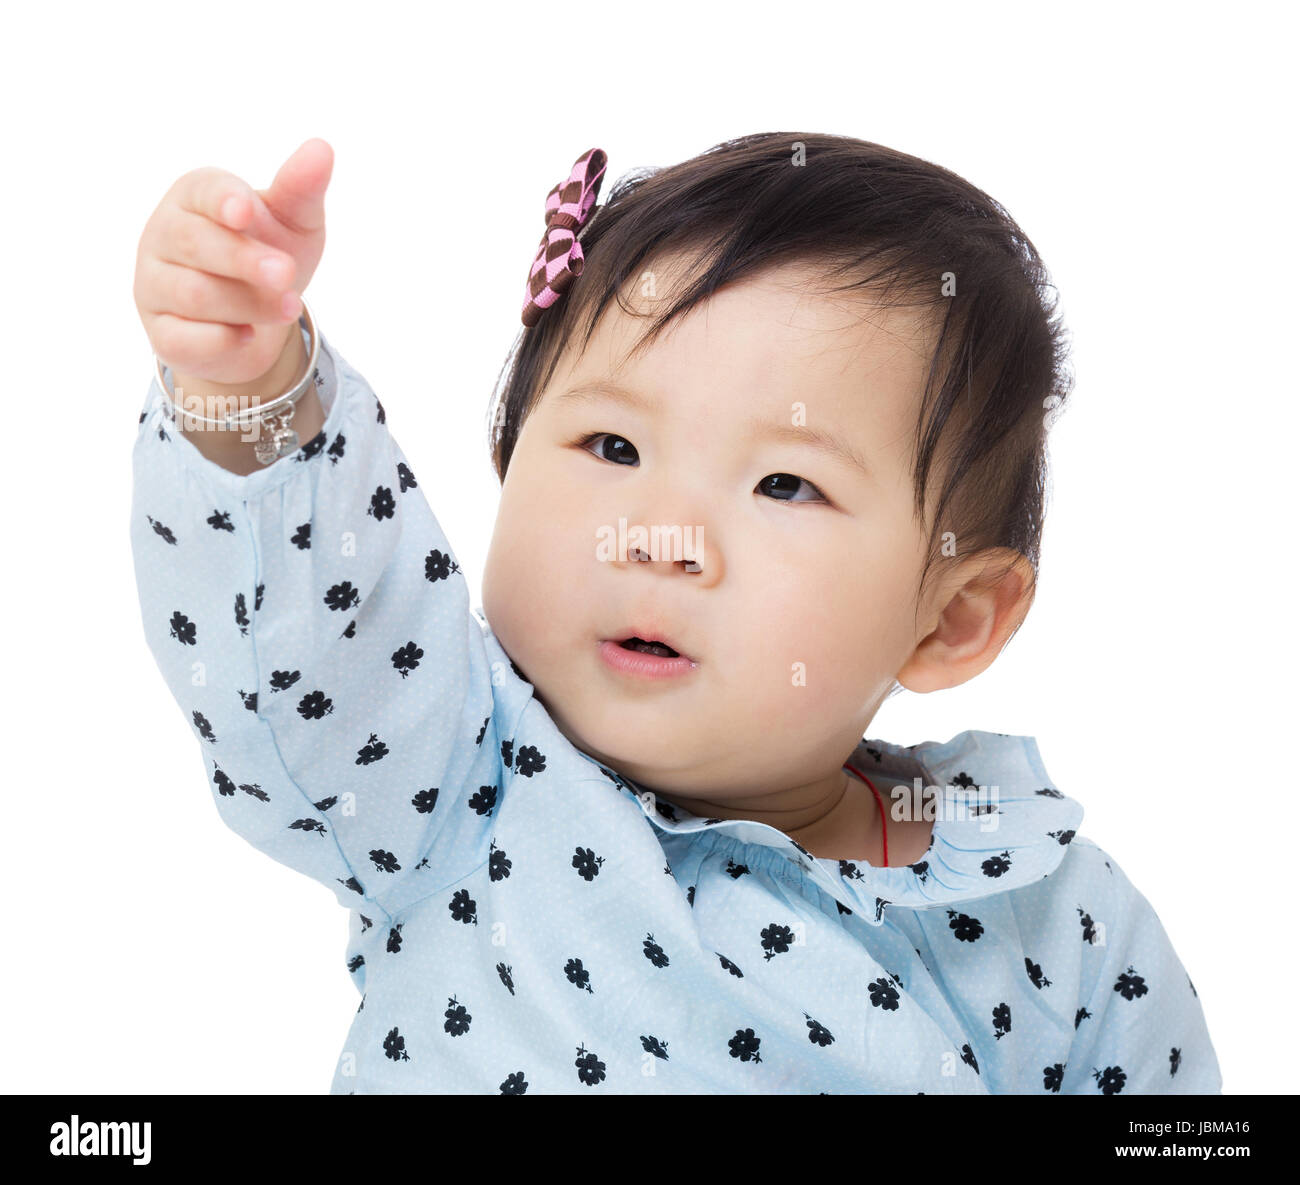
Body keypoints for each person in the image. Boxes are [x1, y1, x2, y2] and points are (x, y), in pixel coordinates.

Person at [129, 132, 1221, 1093]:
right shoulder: (458, 784)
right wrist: (247, 395)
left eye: (784, 486)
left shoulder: (1047, 914)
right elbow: (314, 638)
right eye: (612, 447)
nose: (660, 536)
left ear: (952, 620)